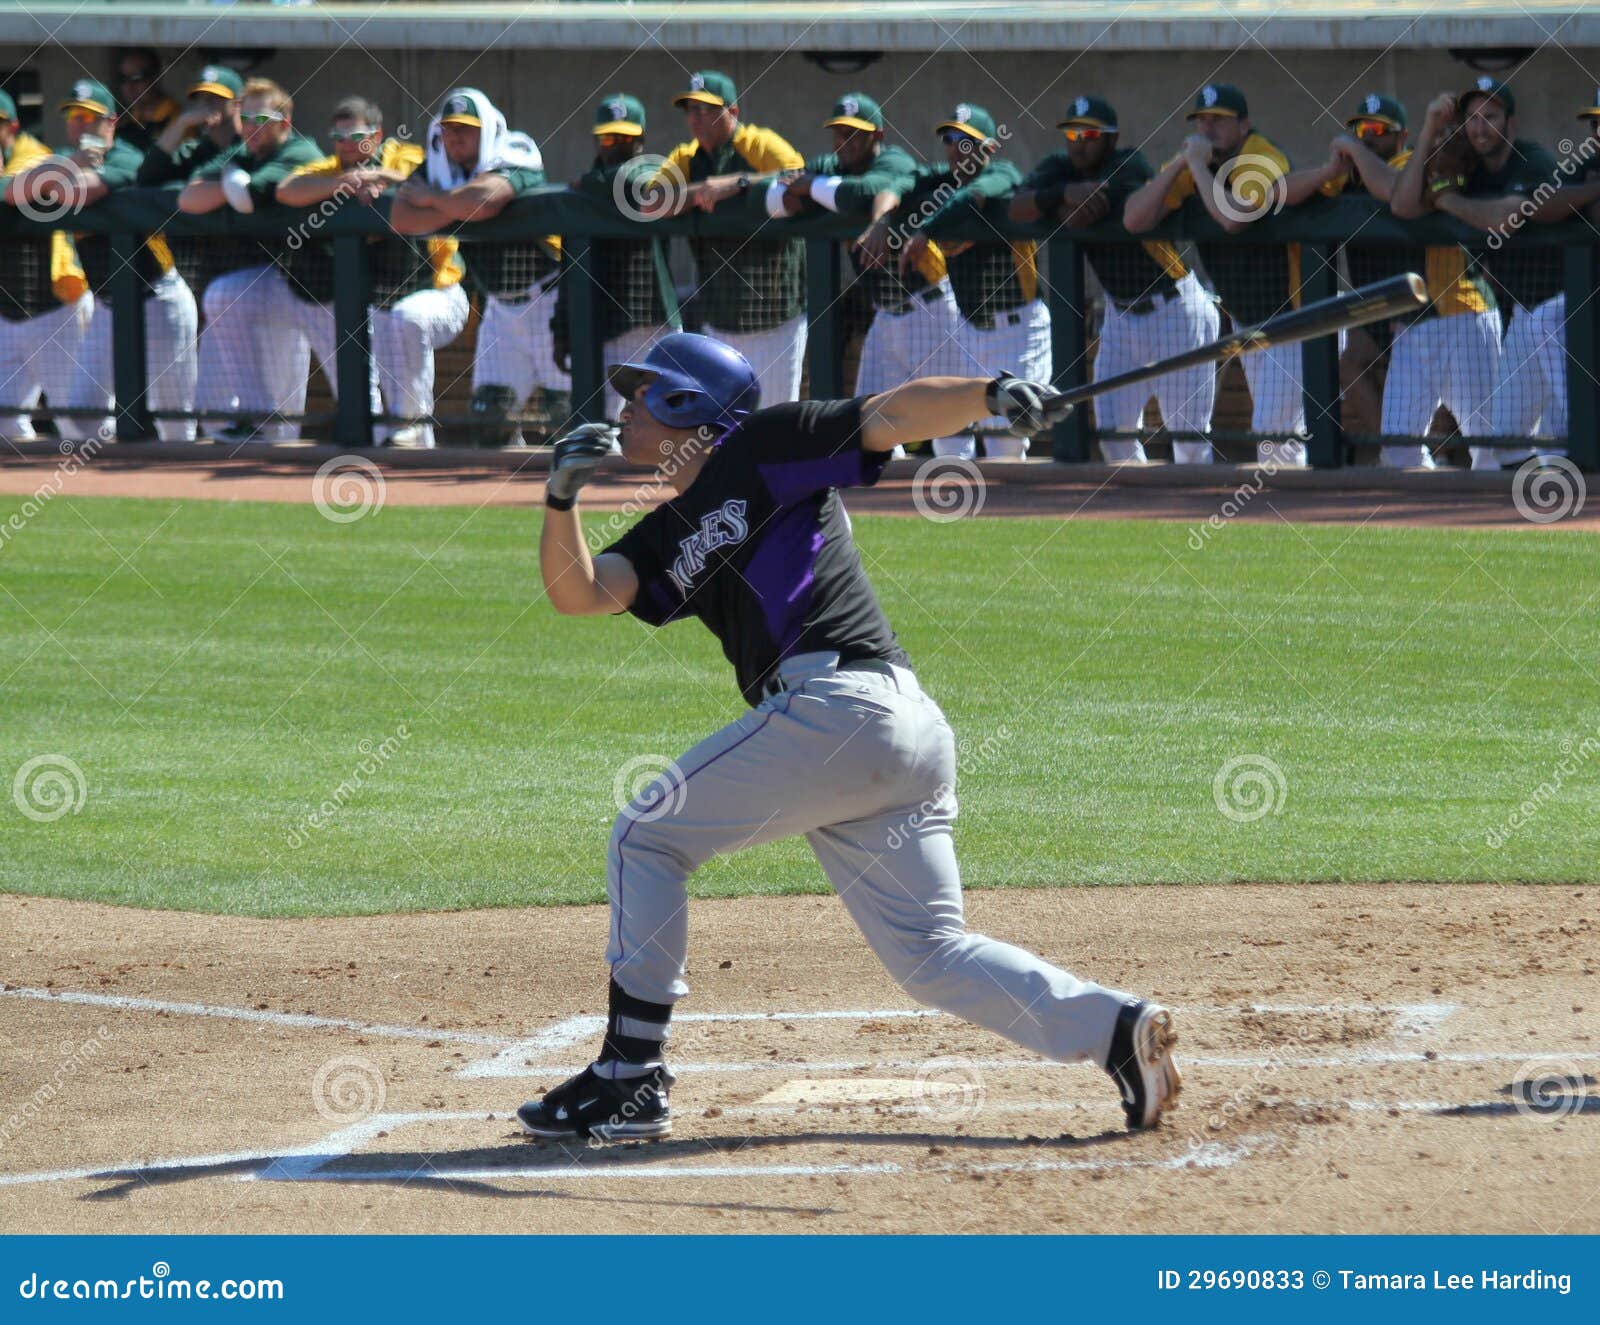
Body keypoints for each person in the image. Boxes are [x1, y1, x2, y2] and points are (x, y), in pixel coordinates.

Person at [517, 331, 1181, 1142]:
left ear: (688, 407)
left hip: (843, 710)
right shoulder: (671, 528)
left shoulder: (764, 445)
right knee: (931, 955)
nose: (623, 410)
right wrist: (560, 499)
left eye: (640, 395)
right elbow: (581, 593)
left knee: (645, 835)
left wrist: (990, 392)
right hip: (882, 733)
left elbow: (888, 414)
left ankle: (629, 1074)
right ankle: (1116, 1029)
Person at [1284, 93, 1499, 469]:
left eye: (1379, 131)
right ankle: (1430, 520)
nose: (1368, 137)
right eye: (1361, 129)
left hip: (1460, 314)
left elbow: (1397, 191)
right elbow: (1279, 195)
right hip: (1408, 323)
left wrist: (1352, 148)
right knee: (1398, 449)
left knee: (1492, 443)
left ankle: (1517, 520)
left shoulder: (1412, 162)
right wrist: (1325, 172)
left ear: (1402, 138)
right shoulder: (1349, 174)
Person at [1011, 95, 1218, 463]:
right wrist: (1060, 194)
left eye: (1089, 134)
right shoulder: (1060, 168)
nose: (1079, 143)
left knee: (1189, 440)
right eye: (1072, 134)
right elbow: (1016, 208)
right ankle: (1141, 518)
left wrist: (1055, 205)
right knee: (1112, 436)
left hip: (1174, 308)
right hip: (1120, 316)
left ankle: (1192, 515)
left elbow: (1083, 215)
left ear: (1110, 137)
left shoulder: (1128, 164)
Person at [6, 79, 198, 441]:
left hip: (158, 298)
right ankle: (126, 475)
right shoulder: (64, 155)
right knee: (82, 414)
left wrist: (52, 178)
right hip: (107, 306)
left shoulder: (126, 154)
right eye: (72, 116)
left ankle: (179, 491)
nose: (79, 124)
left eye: (88, 117)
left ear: (110, 122)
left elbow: (80, 191)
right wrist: (69, 164)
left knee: (175, 421)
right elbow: (13, 191)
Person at [1124, 83, 1304, 466]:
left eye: (1219, 120)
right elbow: (1135, 218)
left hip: (1295, 318)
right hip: (1249, 320)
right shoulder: (1198, 166)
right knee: (1278, 442)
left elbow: (1231, 217)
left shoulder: (1261, 155)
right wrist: (1178, 165)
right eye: (1202, 120)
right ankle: (1293, 516)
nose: (1207, 129)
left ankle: (1301, 519)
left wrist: (1194, 167)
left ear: (1244, 124)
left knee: (1274, 439)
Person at [276, 96, 464, 446]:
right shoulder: (331, 169)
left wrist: (380, 177)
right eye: (339, 137)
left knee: (408, 319)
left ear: (376, 136)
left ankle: (415, 432)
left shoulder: (401, 154)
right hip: (380, 301)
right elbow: (287, 191)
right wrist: (347, 183)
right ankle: (394, 442)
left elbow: (428, 179)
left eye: (355, 136)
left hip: (439, 291)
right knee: (379, 351)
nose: (346, 145)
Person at [1392, 78, 1558, 468]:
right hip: (1523, 311)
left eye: (1491, 117)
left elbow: (1505, 218)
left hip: (1566, 305)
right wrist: (1431, 130)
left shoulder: (1531, 158)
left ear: (1511, 124)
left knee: (1570, 427)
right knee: (1505, 439)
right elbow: (1403, 206)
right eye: (1473, 118)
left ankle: (1580, 517)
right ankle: (1526, 522)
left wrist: (1448, 199)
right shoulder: (1470, 168)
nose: (1481, 127)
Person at [391, 87, 566, 448]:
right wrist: (452, 204)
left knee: (566, 419)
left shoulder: (515, 148)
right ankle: (511, 501)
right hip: (500, 308)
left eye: (466, 129)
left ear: (486, 129)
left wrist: (434, 202)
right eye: (450, 128)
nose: (455, 137)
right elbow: (401, 216)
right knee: (490, 419)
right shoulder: (439, 163)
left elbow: (483, 202)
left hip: (551, 301)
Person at [777, 93, 954, 441]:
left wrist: (812, 187)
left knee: (949, 426)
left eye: (855, 134)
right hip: (884, 315)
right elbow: (783, 183)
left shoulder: (895, 161)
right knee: (867, 425)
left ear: (878, 136)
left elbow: (867, 191)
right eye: (840, 133)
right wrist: (806, 184)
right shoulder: (832, 167)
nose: (845, 142)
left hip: (929, 307)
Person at [898, 103, 1048, 459]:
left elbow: (970, 198)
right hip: (969, 329)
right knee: (948, 434)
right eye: (950, 140)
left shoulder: (1004, 174)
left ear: (988, 148)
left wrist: (924, 230)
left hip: (1018, 326)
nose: (954, 149)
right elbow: (904, 181)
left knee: (1005, 442)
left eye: (966, 141)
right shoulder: (940, 182)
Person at [178, 76, 323, 441]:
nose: (252, 127)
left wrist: (230, 183)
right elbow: (188, 199)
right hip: (279, 284)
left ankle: (385, 450)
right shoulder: (243, 153)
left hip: (324, 288)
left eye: (263, 119)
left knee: (352, 382)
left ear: (284, 124)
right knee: (222, 295)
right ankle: (256, 415)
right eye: (247, 117)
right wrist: (231, 179)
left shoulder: (301, 152)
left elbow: (248, 196)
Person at [650, 71, 808, 404]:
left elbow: (800, 179)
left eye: (706, 109)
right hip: (720, 319)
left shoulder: (757, 143)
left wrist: (737, 183)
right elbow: (650, 201)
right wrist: (700, 191)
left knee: (775, 421)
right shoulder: (686, 157)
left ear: (732, 112)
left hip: (774, 319)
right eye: (691, 109)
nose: (696, 117)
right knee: (724, 426)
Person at [552, 93, 679, 421]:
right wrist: (562, 330)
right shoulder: (580, 193)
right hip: (602, 327)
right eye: (609, 137)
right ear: (596, 140)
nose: (616, 145)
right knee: (602, 427)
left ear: (641, 140)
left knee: (668, 418)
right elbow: (569, 270)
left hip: (650, 319)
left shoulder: (651, 172)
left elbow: (635, 181)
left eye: (626, 137)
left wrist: (591, 183)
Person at [0, 88, 93, 442]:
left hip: (55, 308)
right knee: (6, 425)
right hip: (8, 314)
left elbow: (14, 189)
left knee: (78, 421)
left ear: (14, 126)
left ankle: (103, 491)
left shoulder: (33, 154)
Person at [111, 47, 180, 154]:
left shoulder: (178, 121)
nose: (129, 86)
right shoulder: (125, 124)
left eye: (136, 78)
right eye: (123, 79)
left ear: (156, 79)